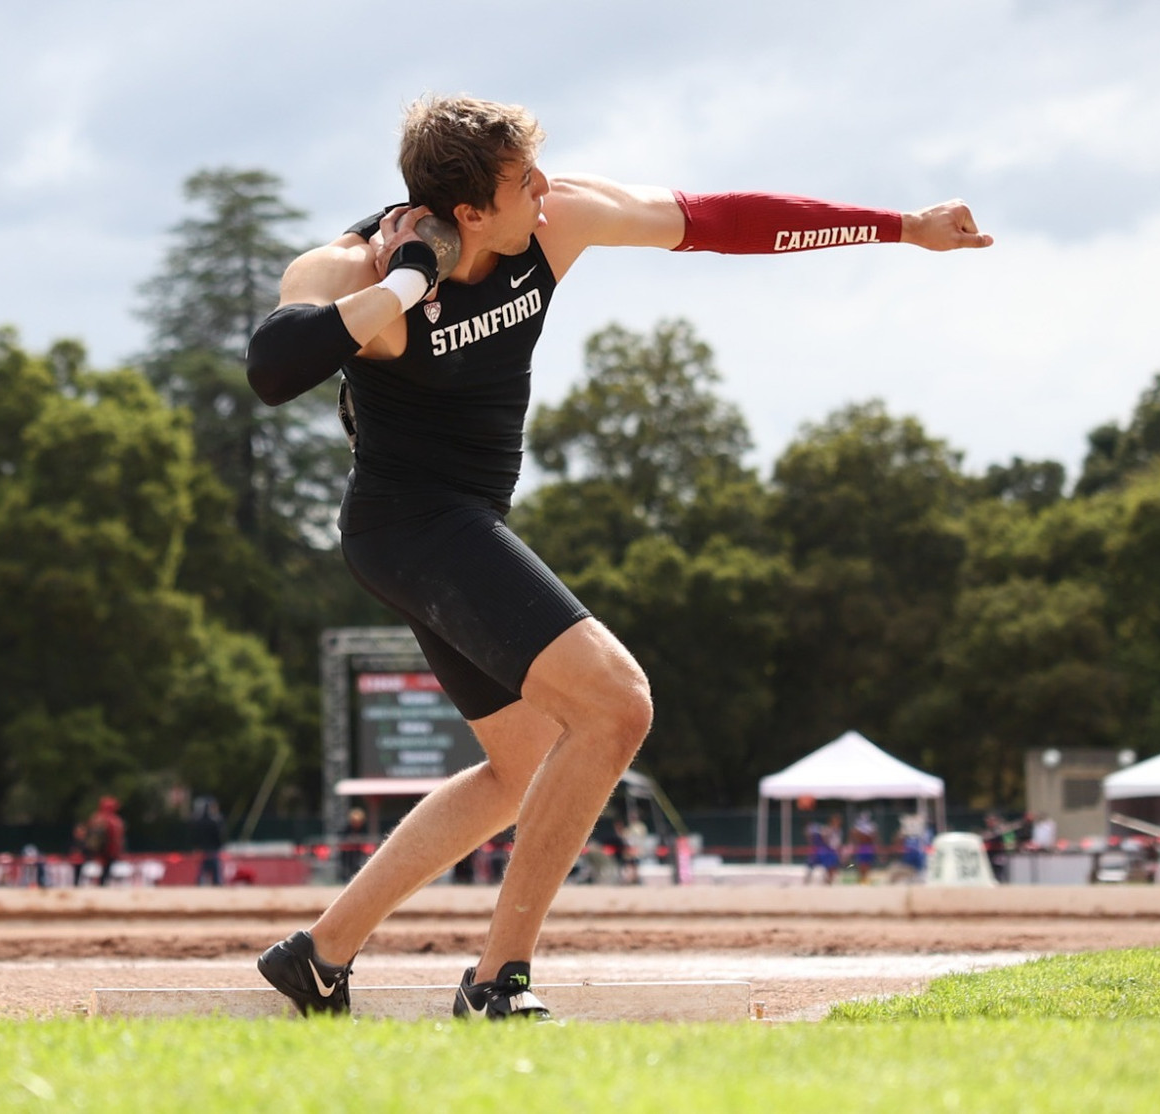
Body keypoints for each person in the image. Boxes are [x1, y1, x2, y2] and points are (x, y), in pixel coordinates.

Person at [250, 94, 987, 1020]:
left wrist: (898, 228)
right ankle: (496, 978)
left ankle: (319, 956)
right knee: (617, 705)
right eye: (525, 182)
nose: (546, 191)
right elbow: (274, 366)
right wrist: (403, 284)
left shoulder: (553, 227)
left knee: (519, 773)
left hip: (457, 522)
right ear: (469, 209)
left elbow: (715, 221)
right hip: (408, 524)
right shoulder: (354, 265)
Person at [85, 796, 125, 887]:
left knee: (102, 868)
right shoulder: (115, 821)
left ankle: (100, 883)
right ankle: (102, 883)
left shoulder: (96, 817)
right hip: (107, 849)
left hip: (96, 849)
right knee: (105, 868)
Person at [191, 797, 225, 887]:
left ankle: (201, 882)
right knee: (214, 865)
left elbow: (196, 836)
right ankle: (217, 882)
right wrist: (220, 845)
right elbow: (219, 835)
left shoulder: (198, 821)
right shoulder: (215, 821)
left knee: (203, 866)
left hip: (203, 847)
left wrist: (196, 845)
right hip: (213, 847)